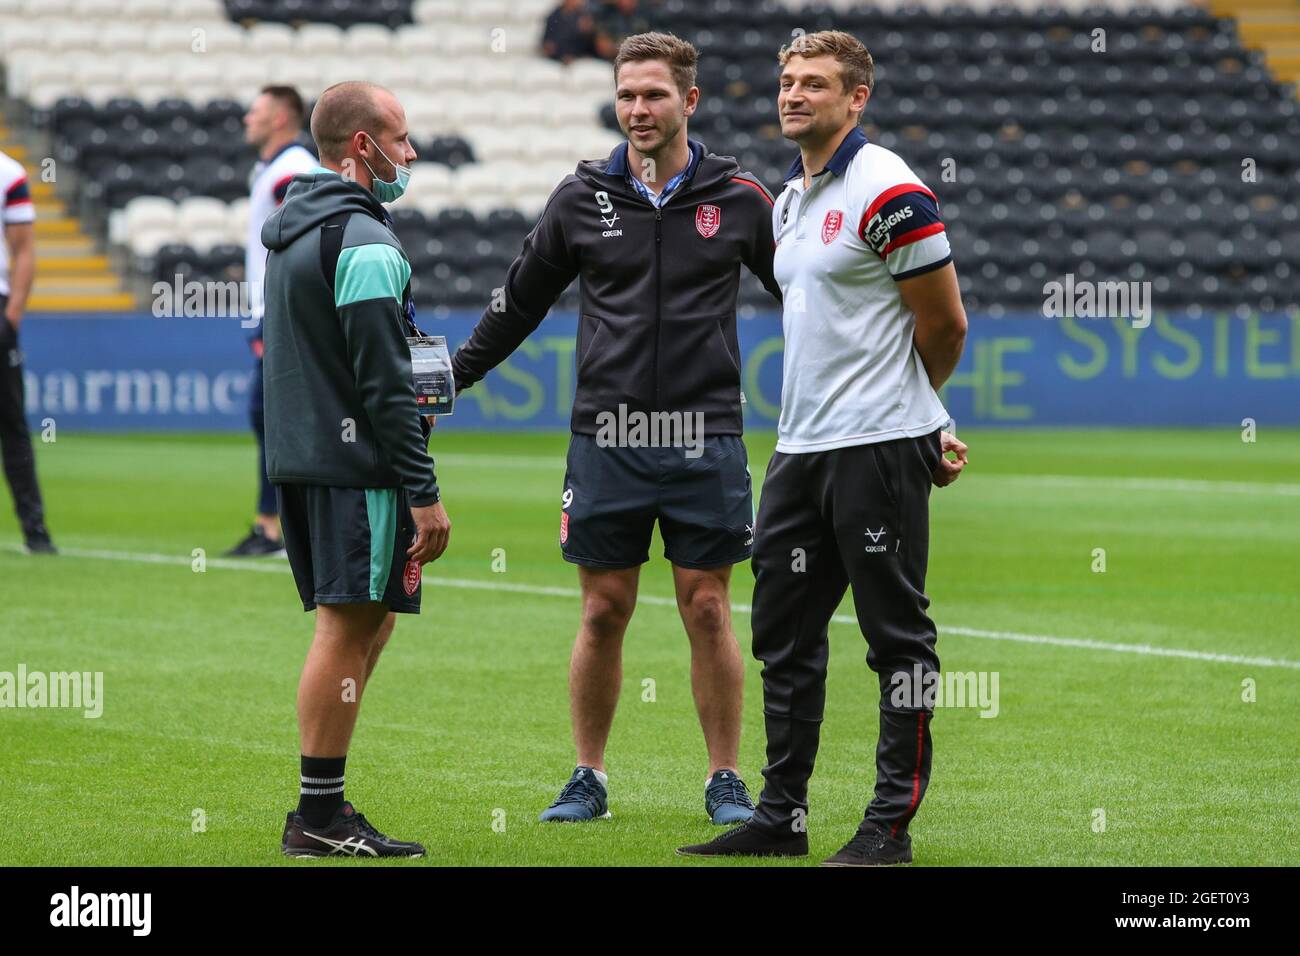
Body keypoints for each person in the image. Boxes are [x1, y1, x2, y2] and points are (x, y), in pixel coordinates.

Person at [451, 32, 783, 826]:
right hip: (609, 435)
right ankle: (588, 776)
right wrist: (454, 378)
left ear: (689, 102)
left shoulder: (740, 198)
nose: (639, 109)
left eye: (655, 95)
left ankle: (725, 778)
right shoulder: (580, 198)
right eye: (628, 95)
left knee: (707, 607)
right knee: (603, 608)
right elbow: (520, 300)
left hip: (706, 435)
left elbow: (808, 300)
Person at [678, 30, 970, 866]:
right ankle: (783, 817)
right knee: (784, 634)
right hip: (800, 451)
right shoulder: (786, 201)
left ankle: (887, 830)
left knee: (896, 642)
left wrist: (924, 412)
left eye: (815, 84)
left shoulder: (891, 191)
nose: (793, 95)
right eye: (788, 81)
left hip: (877, 447)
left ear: (856, 99)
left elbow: (944, 323)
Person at [261, 81, 451, 857]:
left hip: (308, 458)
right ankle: (319, 817)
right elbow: (382, 383)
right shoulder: (367, 243)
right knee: (347, 628)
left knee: (360, 625)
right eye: (401, 141)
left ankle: (323, 809)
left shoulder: (297, 230)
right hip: (356, 467)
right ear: (363, 146)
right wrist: (423, 491)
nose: (411, 156)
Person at [225, 86, 317, 557]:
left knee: (274, 417)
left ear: (281, 118)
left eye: (256, 111)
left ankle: (278, 529)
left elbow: (298, 232)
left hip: (283, 315)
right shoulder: (273, 167)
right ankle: (275, 526)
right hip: (274, 312)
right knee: (270, 417)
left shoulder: (291, 169)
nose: (247, 118)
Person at [0, 148, 53, 554]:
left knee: (11, 422)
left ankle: (34, 528)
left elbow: (24, 249)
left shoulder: (9, 173)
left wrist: (13, 314)